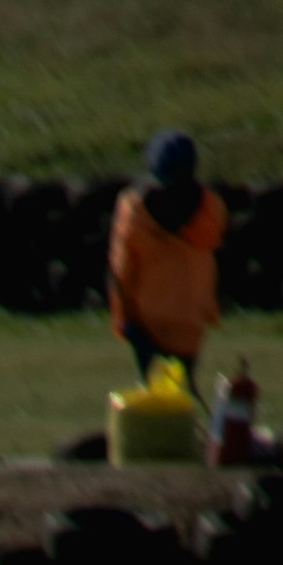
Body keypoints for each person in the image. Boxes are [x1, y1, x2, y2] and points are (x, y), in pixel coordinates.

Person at [111, 132, 229, 391]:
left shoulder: (133, 209)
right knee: (180, 391)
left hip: (149, 320)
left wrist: (123, 316)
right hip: (191, 318)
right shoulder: (212, 207)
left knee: (159, 400)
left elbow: (122, 268)